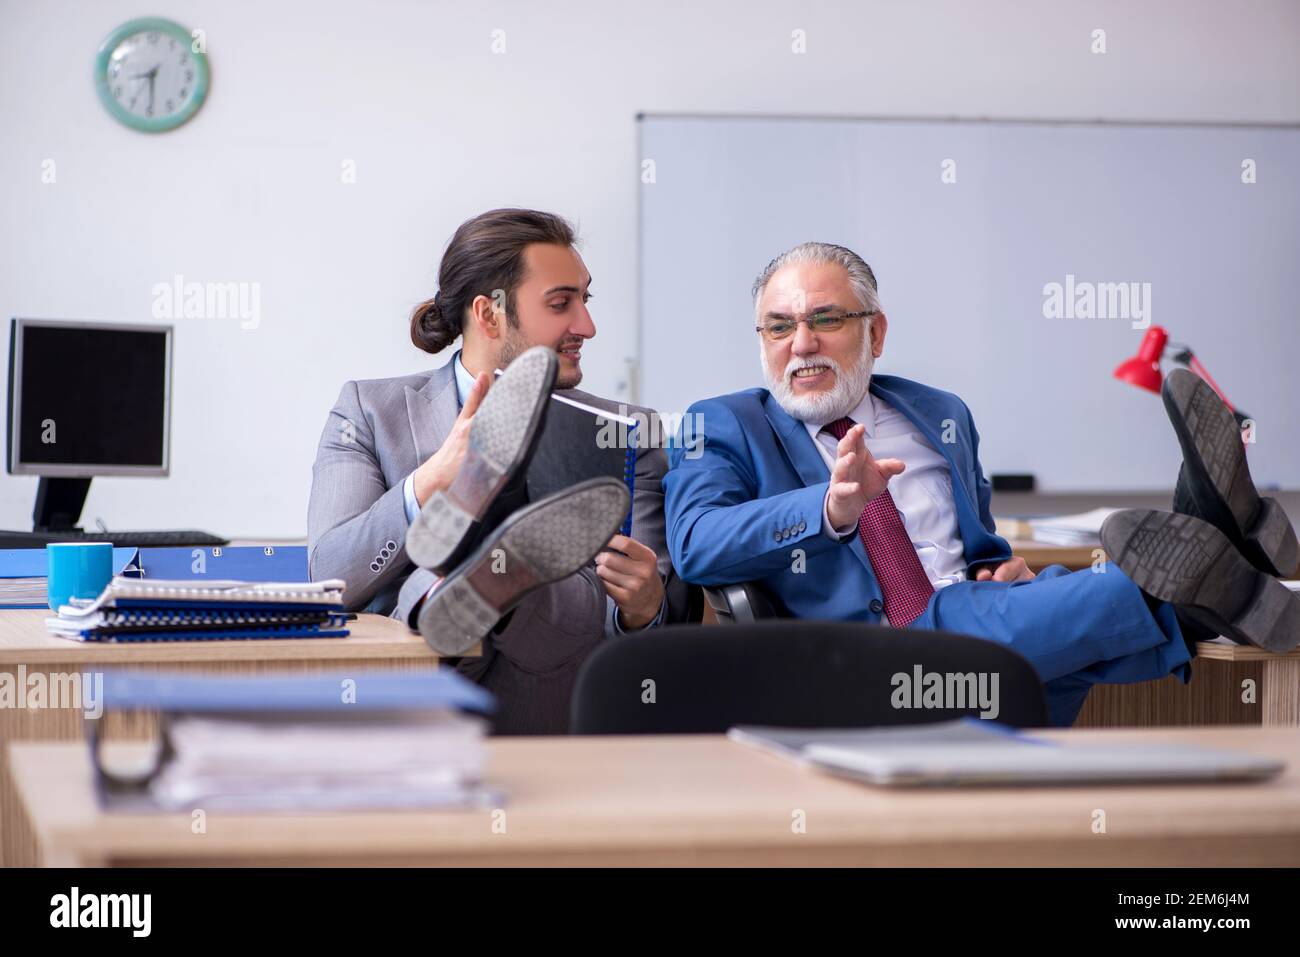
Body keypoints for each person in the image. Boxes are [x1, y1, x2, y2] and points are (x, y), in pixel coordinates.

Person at [662, 241, 1299, 725]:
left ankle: (1209, 587)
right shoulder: (722, 423)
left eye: (825, 319)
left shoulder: (940, 414)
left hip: (973, 656)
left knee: (1040, 608)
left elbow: (978, 549)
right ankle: (1217, 557)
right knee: (985, 612)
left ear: (874, 332)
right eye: (779, 325)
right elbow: (695, 541)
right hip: (868, 666)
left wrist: (1003, 573)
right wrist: (830, 508)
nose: (801, 344)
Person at [308, 208, 688, 733]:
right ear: (489, 315)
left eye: (586, 300)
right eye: (561, 304)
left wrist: (645, 607)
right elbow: (331, 579)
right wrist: (432, 480)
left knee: (507, 571)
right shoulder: (369, 411)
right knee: (449, 567)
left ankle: (473, 567)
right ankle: (468, 565)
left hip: (552, 697)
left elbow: (627, 620)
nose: (587, 326)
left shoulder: (627, 431)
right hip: (414, 701)